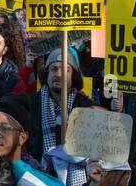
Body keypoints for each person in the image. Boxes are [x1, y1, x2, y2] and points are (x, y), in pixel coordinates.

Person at [25, 47, 93, 178]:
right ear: (47, 74)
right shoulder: (30, 103)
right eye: (54, 69)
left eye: (65, 70)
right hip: (37, 175)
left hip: (74, 177)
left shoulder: (85, 106)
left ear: (73, 75)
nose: (58, 74)